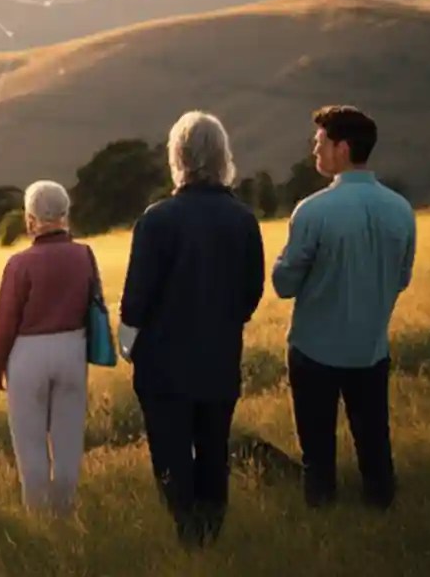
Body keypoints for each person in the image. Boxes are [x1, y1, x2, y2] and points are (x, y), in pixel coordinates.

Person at [119, 112, 264, 548]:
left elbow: (136, 299)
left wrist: (128, 345)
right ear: (222, 156)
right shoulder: (243, 219)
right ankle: (212, 534)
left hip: (163, 366)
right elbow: (251, 293)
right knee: (214, 450)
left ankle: (187, 533)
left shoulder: (157, 219)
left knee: (170, 453)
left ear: (177, 157)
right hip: (219, 359)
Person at [272, 106, 416, 511]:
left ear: (342, 148)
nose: (314, 150)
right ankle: (381, 509)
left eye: (320, 142)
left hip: (314, 349)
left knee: (317, 453)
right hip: (372, 348)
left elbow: (284, 285)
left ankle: (322, 515)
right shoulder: (402, 210)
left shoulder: (313, 210)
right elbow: (402, 279)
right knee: (374, 441)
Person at [0, 180, 95, 516]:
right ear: (65, 215)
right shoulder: (84, 254)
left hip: (28, 355)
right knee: (67, 440)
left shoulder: (19, 263)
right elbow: (93, 305)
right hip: (72, 350)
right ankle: (64, 512)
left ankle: (38, 516)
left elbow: (5, 321)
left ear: (30, 219)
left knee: (30, 442)